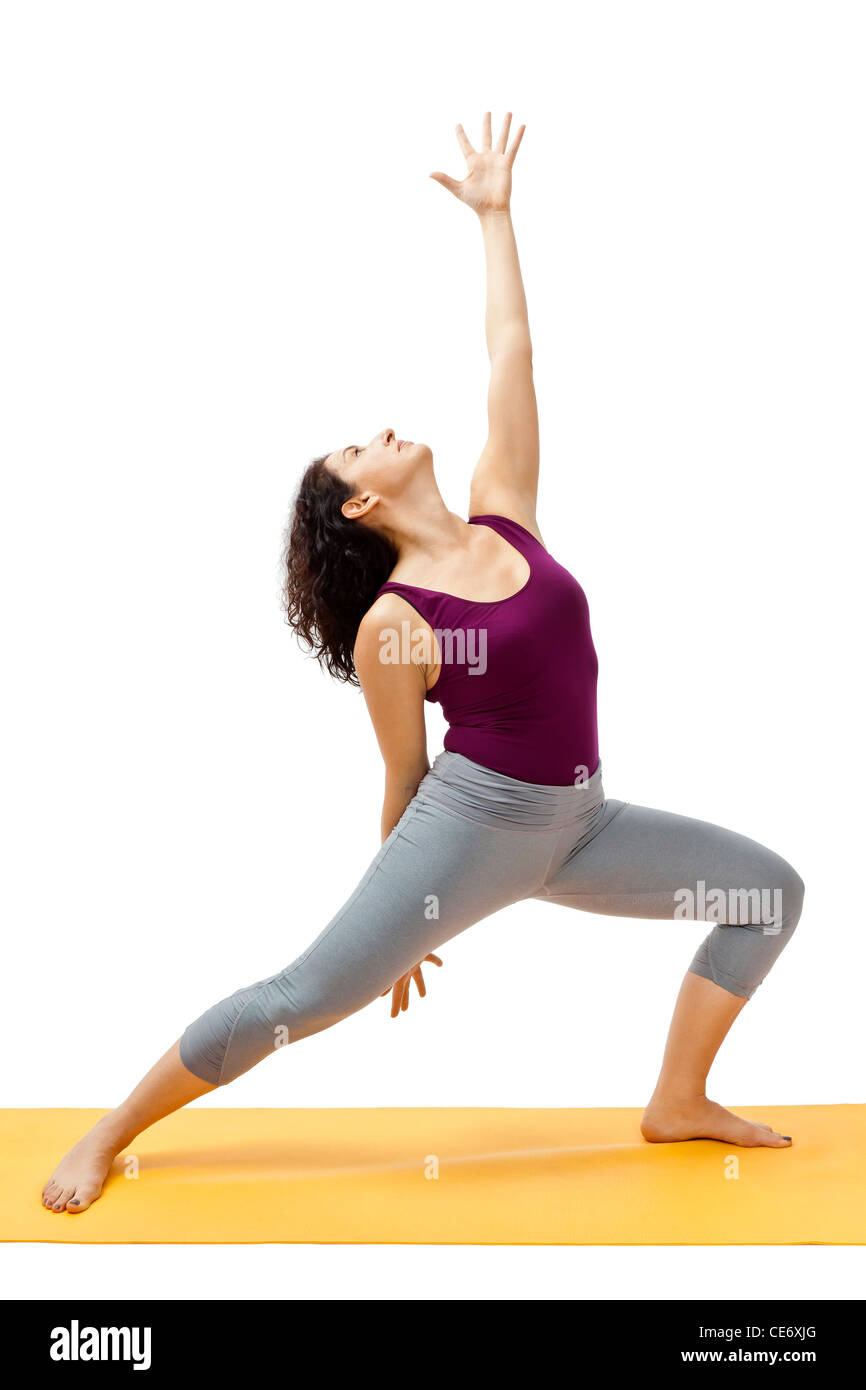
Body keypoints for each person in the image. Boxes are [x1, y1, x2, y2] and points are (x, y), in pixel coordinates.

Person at [42, 112, 803, 1216]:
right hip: (475, 830)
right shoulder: (394, 624)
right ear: (361, 503)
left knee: (764, 894)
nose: (384, 430)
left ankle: (676, 1099)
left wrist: (495, 216)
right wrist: (408, 912)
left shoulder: (508, 513)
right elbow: (402, 778)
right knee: (301, 997)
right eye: (361, 447)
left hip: (584, 826)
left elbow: (510, 355)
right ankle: (113, 1127)